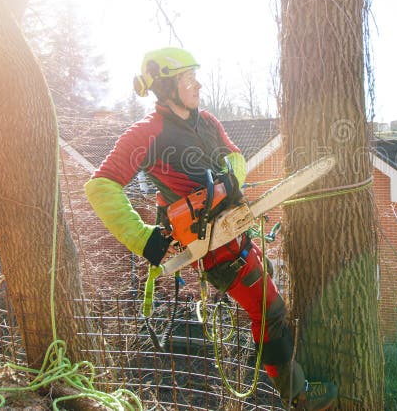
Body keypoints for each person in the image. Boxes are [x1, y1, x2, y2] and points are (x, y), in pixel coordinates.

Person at [84, 47, 337, 410]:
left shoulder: (207, 121)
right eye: (189, 79)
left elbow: (234, 154)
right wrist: (141, 237)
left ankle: (279, 374)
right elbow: (100, 186)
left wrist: (232, 174)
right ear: (169, 86)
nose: (198, 85)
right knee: (271, 311)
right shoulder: (148, 132)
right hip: (213, 247)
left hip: (236, 230)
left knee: (267, 307)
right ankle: (298, 397)